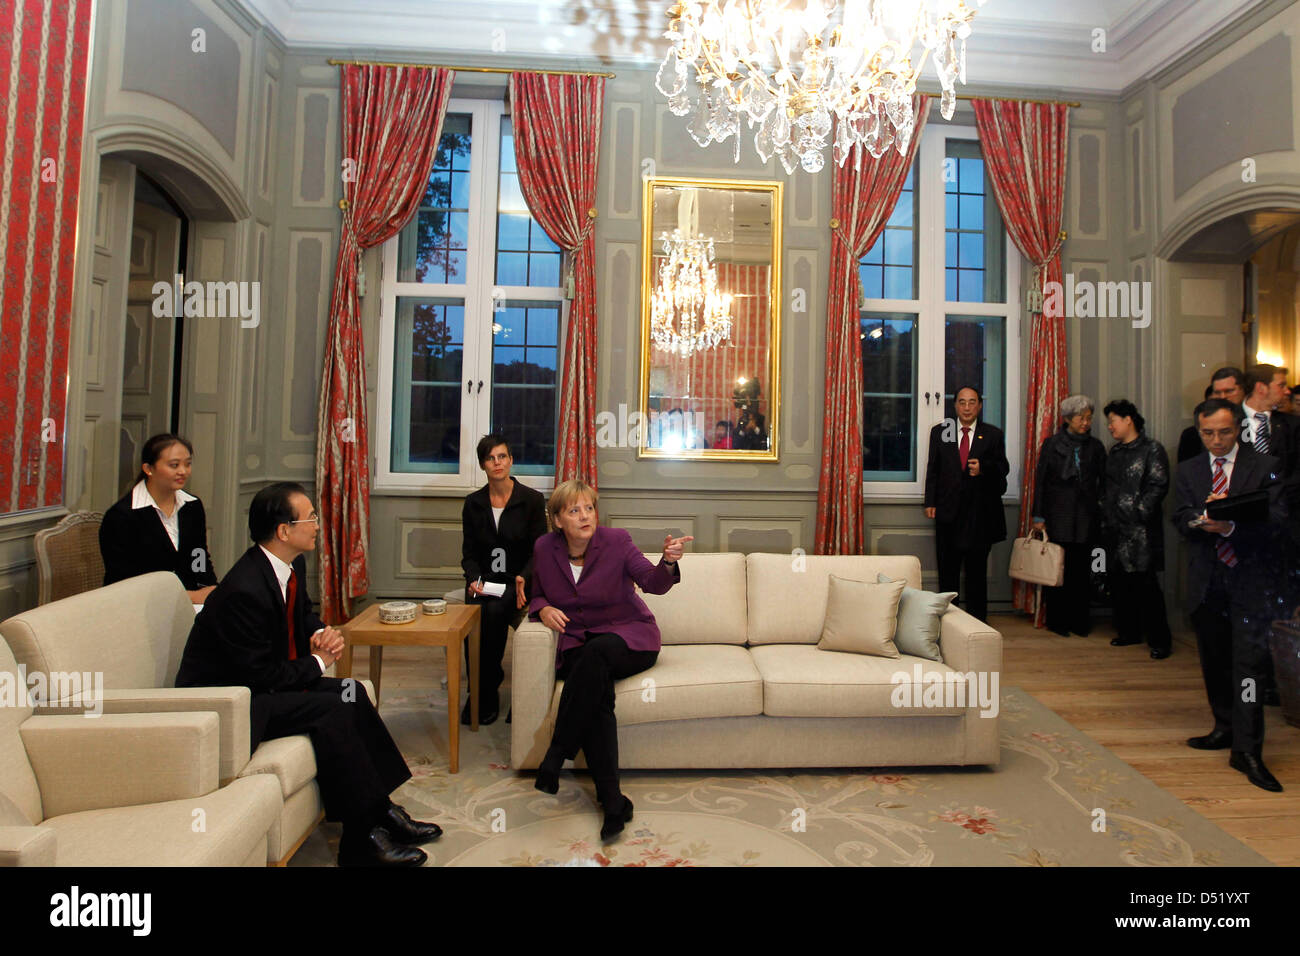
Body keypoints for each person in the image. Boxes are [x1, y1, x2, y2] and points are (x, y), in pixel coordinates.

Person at [175, 482, 443, 865]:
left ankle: (381, 810)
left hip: (262, 684)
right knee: (331, 710)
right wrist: (318, 661)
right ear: (284, 531)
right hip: (231, 703)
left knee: (350, 691)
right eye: (311, 517)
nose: (317, 524)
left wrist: (319, 631)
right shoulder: (243, 590)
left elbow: (300, 615)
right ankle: (359, 841)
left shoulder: (289, 564)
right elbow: (262, 676)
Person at [528, 479, 692, 841]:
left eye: (589, 508)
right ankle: (613, 802)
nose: (585, 516)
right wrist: (543, 609)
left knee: (597, 653)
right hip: (577, 647)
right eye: (574, 510)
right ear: (557, 520)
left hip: (628, 638)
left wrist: (666, 562)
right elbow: (535, 595)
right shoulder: (544, 548)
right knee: (597, 696)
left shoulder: (617, 541)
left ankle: (557, 753)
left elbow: (652, 583)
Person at [1174, 399, 1286, 792]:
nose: (1217, 441)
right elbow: (1179, 515)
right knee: (1215, 663)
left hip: (1250, 582)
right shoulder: (1189, 469)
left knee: (1249, 668)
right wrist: (1195, 522)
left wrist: (1229, 529)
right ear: (1199, 431)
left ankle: (1248, 749)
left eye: (1224, 432)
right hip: (1207, 583)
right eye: (1208, 433)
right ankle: (1223, 727)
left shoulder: (1265, 467)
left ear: (1238, 427)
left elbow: (1279, 525)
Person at [461, 434, 548, 725]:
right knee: (476, 613)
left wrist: (524, 577)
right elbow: (469, 553)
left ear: (511, 460)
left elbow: (540, 551)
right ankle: (481, 692)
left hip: (518, 580)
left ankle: (486, 690)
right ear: (483, 465)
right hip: (485, 580)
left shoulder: (532, 501)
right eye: (490, 458)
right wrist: (473, 579)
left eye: (502, 457)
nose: (497, 463)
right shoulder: (473, 504)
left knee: (495, 610)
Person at [922, 386, 1009, 623]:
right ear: (955, 406)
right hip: (948, 513)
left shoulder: (993, 434)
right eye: (962, 402)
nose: (967, 407)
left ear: (980, 406)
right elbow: (934, 468)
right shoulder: (941, 432)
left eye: (972, 402)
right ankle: (948, 623)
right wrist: (930, 501)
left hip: (979, 516)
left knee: (976, 574)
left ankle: (977, 624)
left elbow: (1003, 471)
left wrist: (984, 469)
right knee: (948, 573)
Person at [99, 434, 218, 604]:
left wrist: (209, 590)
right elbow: (125, 580)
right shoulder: (121, 516)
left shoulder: (192, 506)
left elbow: (198, 556)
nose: (183, 471)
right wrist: (189, 596)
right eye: (174, 465)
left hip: (188, 602)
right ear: (148, 469)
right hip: (138, 605)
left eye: (188, 464)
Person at [1100, 400, 1173, 658]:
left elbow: (1158, 484)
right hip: (1116, 528)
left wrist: (1139, 511)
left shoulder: (1152, 449)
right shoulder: (1115, 452)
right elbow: (1108, 488)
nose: (1110, 426)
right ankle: (1128, 632)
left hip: (1141, 530)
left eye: (1113, 420)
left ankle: (1160, 640)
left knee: (1147, 585)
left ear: (1128, 419)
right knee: (1121, 584)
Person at [1032, 394, 1106, 636]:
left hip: (1086, 515)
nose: (1085, 423)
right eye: (1080, 418)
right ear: (1067, 419)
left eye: (1088, 418)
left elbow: (1103, 482)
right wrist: (1039, 516)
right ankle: (1058, 621)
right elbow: (1041, 481)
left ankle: (1080, 621)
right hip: (1058, 513)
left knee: (1081, 570)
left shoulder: (1095, 447)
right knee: (1058, 569)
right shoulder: (1052, 444)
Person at [1178, 368, 1244, 463]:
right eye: (1217, 392)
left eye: (1229, 391)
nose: (1223, 397)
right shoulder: (1192, 435)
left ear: (1242, 390)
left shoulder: (1255, 423)